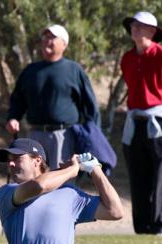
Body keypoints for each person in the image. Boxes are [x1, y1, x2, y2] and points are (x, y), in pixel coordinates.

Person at [119, 11, 162, 236]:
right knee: (138, 173)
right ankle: (142, 226)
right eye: (133, 26)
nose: (136, 29)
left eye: (141, 26)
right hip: (136, 121)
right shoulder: (127, 58)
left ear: (152, 31)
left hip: (160, 122)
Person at [5, 24, 100, 171]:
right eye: (45, 37)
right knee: (33, 181)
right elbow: (18, 99)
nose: (47, 41)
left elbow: (90, 106)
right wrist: (13, 117)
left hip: (63, 136)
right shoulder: (31, 71)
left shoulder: (74, 70)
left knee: (60, 183)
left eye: (52, 37)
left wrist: (92, 137)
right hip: (34, 135)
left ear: (64, 44)